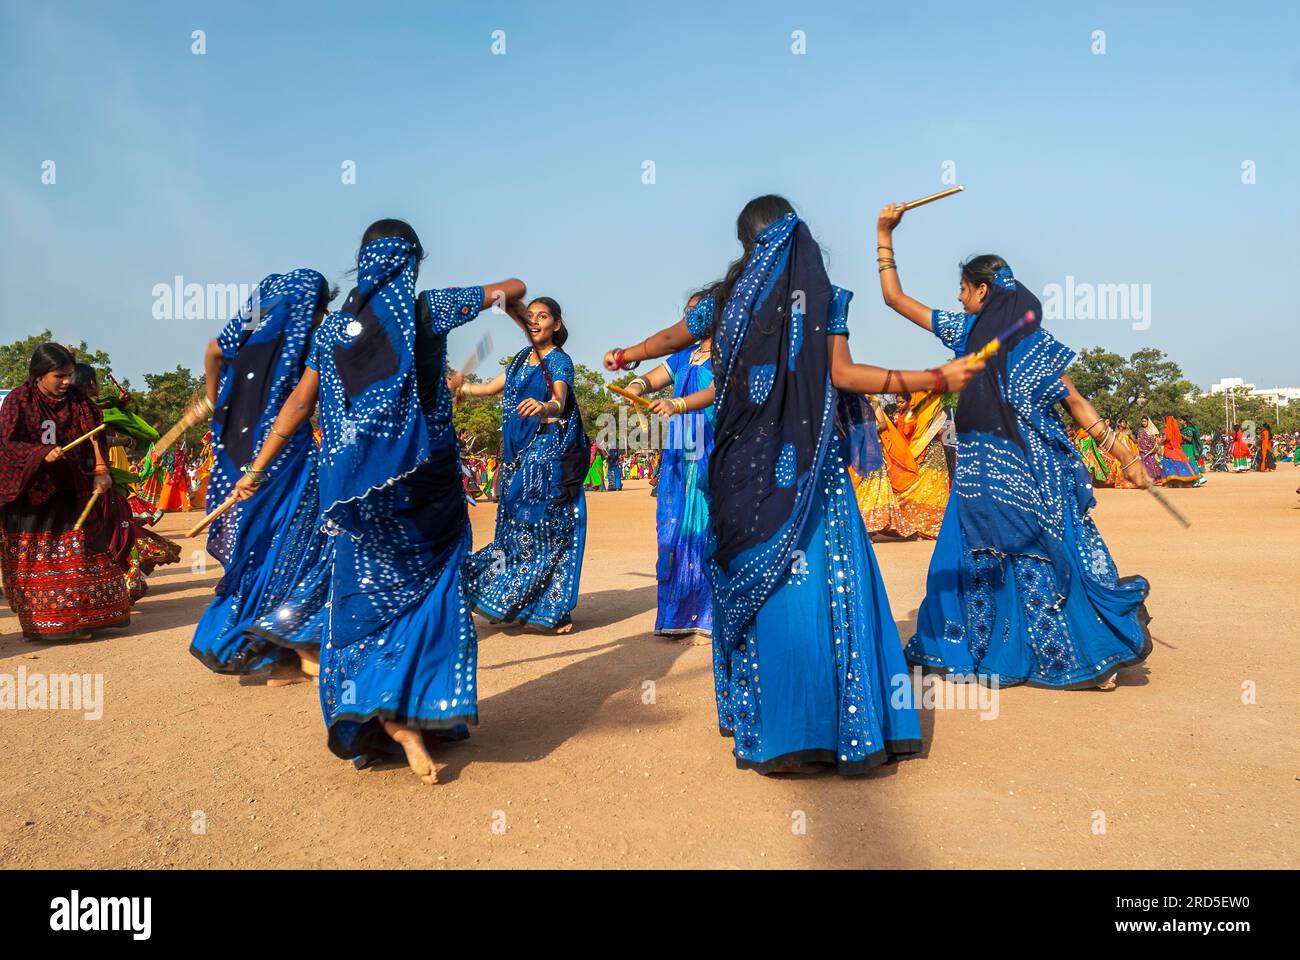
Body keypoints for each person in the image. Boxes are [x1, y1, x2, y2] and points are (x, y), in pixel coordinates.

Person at [602, 195, 985, 775]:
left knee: (764, 583)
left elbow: (670, 339)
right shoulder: (822, 297)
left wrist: (625, 353)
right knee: (824, 580)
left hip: (740, 468)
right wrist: (934, 375)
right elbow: (844, 376)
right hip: (812, 473)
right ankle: (842, 728)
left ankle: (776, 727)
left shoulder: (724, 303)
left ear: (746, 244)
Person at [233, 219, 527, 784]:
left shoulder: (332, 331)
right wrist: (511, 313)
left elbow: (298, 404)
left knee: (362, 600)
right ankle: (415, 708)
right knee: (435, 586)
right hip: (428, 481)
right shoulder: (431, 308)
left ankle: (377, 712)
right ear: (413, 260)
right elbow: (512, 285)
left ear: (362, 263)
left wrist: (258, 467)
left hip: (356, 493)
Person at [876, 202, 1152, 691]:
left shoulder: (1005, 339)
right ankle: (1068, 654)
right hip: (1007, 471)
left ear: (983, 290)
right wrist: (885, 235)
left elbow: (1075, 403)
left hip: (1008, 470)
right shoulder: (981, 334)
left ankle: (1076, 653)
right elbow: (894, 300)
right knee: (1030, 554)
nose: (958, 298)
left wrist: (1129, 457)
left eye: (963, 288)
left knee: (1037, 554)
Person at [190, 269, 336, 684]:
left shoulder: (248, 329)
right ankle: (297, 644)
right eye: (320, 310)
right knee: (298, 543)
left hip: (235, 452)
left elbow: (214, 350)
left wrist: (218, 403)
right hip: (284, 455)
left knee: (255, 546)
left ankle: (276, 658)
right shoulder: (312, 340)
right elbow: (302, 404)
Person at [458, 297, 588, 634]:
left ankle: (552, 608)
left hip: (546, 460)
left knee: (547, 533)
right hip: (517, 461)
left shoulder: (560, 361)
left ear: (556, 325)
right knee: (516, 534)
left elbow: (559, 403)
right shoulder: (518, 361)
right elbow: (488, 388)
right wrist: (461, 389)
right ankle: (510, 600)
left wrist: (544, 406)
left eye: (542, 316)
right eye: (530, 316)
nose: (535, 321)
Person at [0, 343, 129, 640]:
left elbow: (96, 435)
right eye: (59, 376)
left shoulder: (79, 401)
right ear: (40, 374)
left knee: (78, 555)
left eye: (69, 375)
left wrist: (101, 470)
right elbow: (7, 444)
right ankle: (49, 626)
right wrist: (40, 454)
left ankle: (86, 619)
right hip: (31, 500)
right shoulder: (18, 401)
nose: (67, 382)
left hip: (73, 490)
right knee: (39, 560)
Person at [623, 295, 716, 642]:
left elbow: (717, 393)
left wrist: (677, 403)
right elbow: (648, 379)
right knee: (674, 528)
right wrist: (635, 387)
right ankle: (677, 613)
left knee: (706, 527)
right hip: (679, 453)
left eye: (698, 311)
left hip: (711, 449)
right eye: (687, 313)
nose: (690, 317)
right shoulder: (681, 357)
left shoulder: (726, 355)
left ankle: (708, 613)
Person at [70, 363, 180, 603]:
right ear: (90, 384)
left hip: (78, 486)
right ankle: (118, 587)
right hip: (99, 484)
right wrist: (124, 440)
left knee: (107, 534)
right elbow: (147, 434)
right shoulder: (91, 411)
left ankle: (107, 589)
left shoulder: (66, 410)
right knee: (116, 531)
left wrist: (119, 408)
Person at [1161, 415, 1204, 486]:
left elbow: (1189, 439)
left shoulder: (1188, 429)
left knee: (1190, 462)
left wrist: (1181, 436)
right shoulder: (1179, 430)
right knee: (1184, 464)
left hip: (1188, 447)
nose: (1179, 422)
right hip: (1181, 448)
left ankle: (1199, 478)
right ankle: (1188, 480)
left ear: (1185, 421)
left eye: (1181, 420)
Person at [1137, 416, 1167, 483]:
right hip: (1142, 450)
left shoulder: (1151, 430)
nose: (1143, 423)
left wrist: (1152, 446)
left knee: (1151, 464)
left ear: (1148, 422)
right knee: (1143, 465)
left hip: (1150, 450)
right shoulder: (1140, 430)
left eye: (1145, 421)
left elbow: (1155, 440)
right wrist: (1139, 447)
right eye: (1142, 421)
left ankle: (1154, 479)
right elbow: (1139, 439)